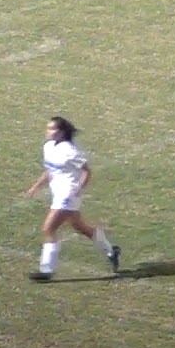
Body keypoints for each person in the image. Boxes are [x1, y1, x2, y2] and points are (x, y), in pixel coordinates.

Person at [24, 116, 120, 281]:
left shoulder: (70, 151)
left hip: (67, 195)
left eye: (52, 129)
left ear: (61, 133)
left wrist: (78, 190)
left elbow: (86, 171)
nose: (48, 131)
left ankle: (46, 270)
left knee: (48, 229)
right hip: (58, 193)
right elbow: (49, 170)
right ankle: (111, 250)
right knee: (80, 227)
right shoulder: (48, 147)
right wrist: (36, 186)